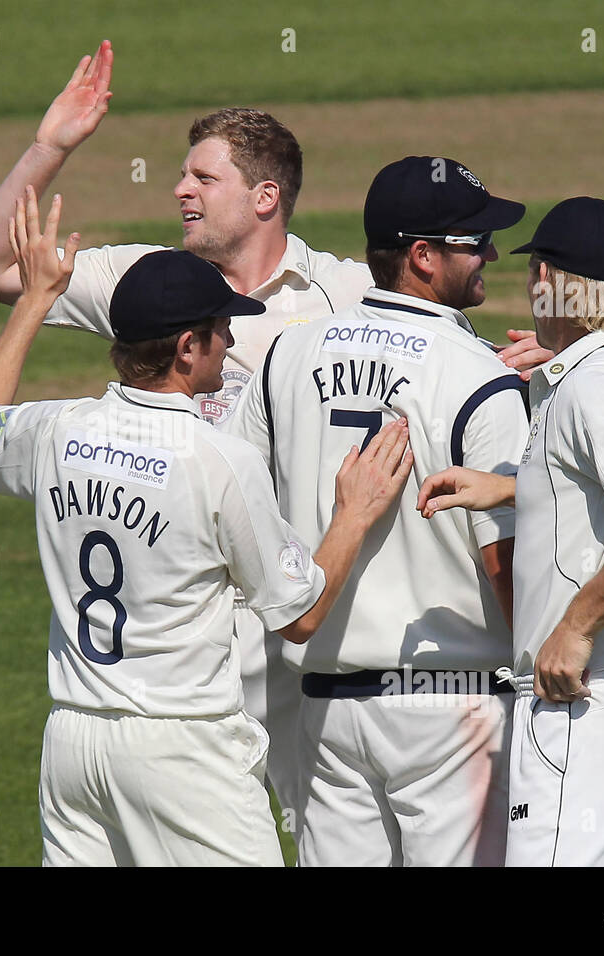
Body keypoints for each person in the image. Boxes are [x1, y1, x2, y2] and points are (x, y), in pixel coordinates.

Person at [0, 41, 550, 819]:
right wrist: (51, 145)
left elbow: (430, 343)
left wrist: (523, 365)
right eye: (183, 176)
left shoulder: (341, 289)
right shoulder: (150, 285)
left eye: (203, 177)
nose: (180, 191)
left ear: (265, 197)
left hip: (304, 608)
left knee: (318, 821)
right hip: (190, 613)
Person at [0, 187, 412, 865]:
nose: (232, 342)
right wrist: (354, 514)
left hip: (74, 744)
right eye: (222, 329)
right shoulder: (217, 458)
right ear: (188, 346)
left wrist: (33, 301)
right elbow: (300, 614)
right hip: (183, 748)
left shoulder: (60, 430)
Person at [225, 156, 533, 866]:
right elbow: (505, 562)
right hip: (455, 714)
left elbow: (236, 508)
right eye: (473, 241)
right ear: (422, 257)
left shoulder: (285, 356)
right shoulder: (481, 380)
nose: (490, 254)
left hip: (325, 713)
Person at [416, 197, 604, 866]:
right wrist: (517, 487)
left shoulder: (594, 385)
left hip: (586, 712)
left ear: (546, 278)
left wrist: (574, 628)